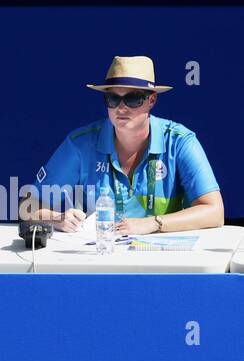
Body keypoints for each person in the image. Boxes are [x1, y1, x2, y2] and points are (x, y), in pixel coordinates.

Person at [27, 56, 223, 234]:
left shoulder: (179, 141)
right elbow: (28, 205)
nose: (121, 107)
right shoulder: (80, 143)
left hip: (165, 260)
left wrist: (153, 223)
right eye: (113, 99)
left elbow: (215, 212)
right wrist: (56, 218)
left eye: (132, 99)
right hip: (99, 256)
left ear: (152, 100)